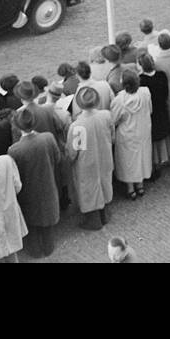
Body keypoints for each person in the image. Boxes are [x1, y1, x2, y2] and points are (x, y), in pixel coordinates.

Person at [8, 108, 62, 258]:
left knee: (32, 221)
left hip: (29, 190)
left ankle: (35, 251)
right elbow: (57, 158)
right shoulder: (48, 138)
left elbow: (16, 175)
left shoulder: (14, 150)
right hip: (48, 183)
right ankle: (48, 246)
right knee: (48, 219)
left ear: (18, 127)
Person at [65, 86, 113, 231]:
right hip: (104, 155)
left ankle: (93, 220)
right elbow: (112, 135)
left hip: (87, 162)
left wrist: (70, 159)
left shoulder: (77, 126)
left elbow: (73, 152)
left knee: (89, 189)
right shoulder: (106, 115)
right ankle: (104, 214)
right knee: (104, 181)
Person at [110, 71, 153, 200]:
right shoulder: (145, 92)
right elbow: (150, 110)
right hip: (143, 130)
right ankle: (140, 185)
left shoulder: (119, 100)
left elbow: (114, 119)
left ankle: (130, 188)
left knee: (128, 160)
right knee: (141, 156)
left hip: (127, 133)